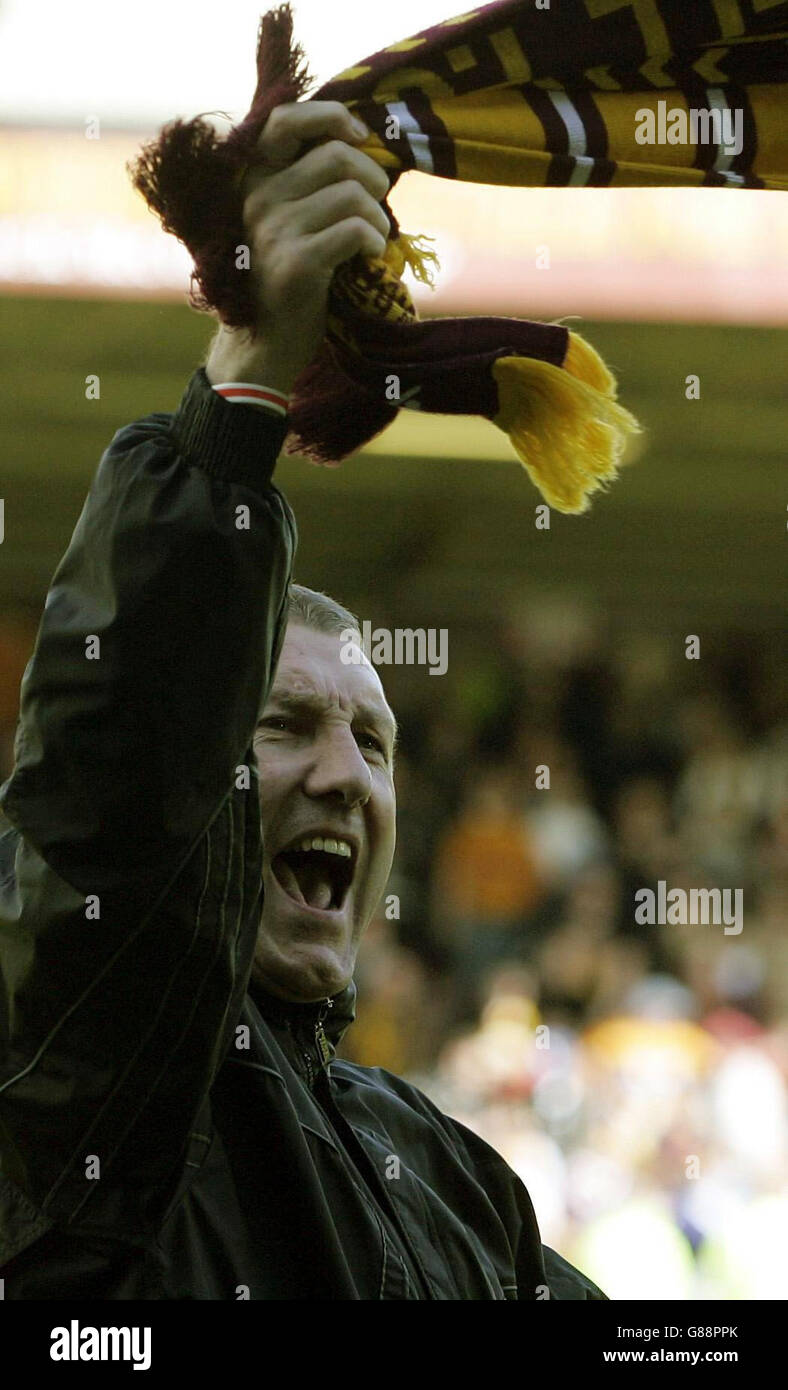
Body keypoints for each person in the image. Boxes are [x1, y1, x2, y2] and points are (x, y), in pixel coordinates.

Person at [0, 100, 605, 1300]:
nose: (345, 775)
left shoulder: (457, 1184)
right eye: (282, 725)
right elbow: (110, 789)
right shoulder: (91, 1091)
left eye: (372, 741)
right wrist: (242, 387)